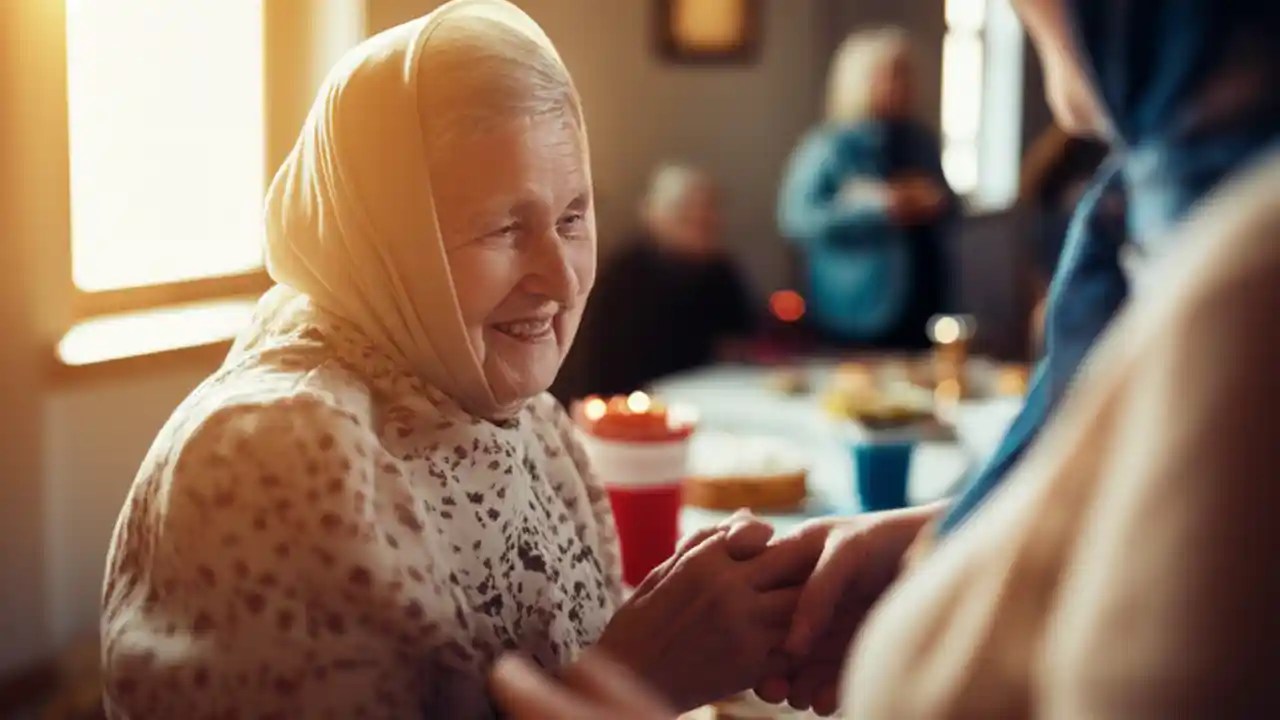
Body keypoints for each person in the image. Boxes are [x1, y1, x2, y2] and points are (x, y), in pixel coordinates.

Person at [490, 0, 1280, 716]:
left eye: (571, 220)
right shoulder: (1142, 223)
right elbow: (1110, 532)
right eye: (498, 228)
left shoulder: (1242, 284)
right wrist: (941, 542)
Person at [99, 2, 814, 716]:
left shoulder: (521, 414)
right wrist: (642, 678)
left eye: (572, 218)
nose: (561, 280)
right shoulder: (276, 448)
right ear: (383, 237)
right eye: (505, 227)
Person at [777, 28, 954, 350]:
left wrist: (934, 203)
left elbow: (948, 205)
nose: (898, 88)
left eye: (904, 77)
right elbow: (796, 218)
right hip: (856, 306)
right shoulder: (829, 146)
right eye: (887, 77)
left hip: (920, 298)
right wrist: (880, 208)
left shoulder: (919, 141)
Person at [552, 163, 755, 402]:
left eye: (708, 210)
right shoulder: (621, 276)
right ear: (653, 214)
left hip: (710, 398)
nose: (700, 219)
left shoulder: (722, 271)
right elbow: (602, 367)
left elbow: (741, 344)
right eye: (686, 212)